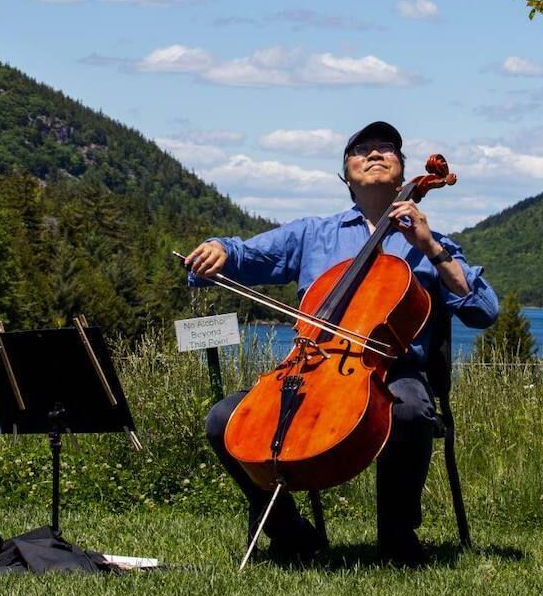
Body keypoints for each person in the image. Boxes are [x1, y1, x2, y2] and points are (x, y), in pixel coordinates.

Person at [184, 120, 498, 566]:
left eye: (386, 148)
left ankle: (397, 536)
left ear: (402, 169)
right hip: (311, 366)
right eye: (362, 150)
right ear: (346, 175)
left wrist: (429, 246)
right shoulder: (315, 234)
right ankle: (290, 532)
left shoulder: (431, 241)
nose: (375, 154)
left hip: (393, 369)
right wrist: (219, 248)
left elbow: (483, 310)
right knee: (224, 420)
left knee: (408, 411)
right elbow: (249, 256)